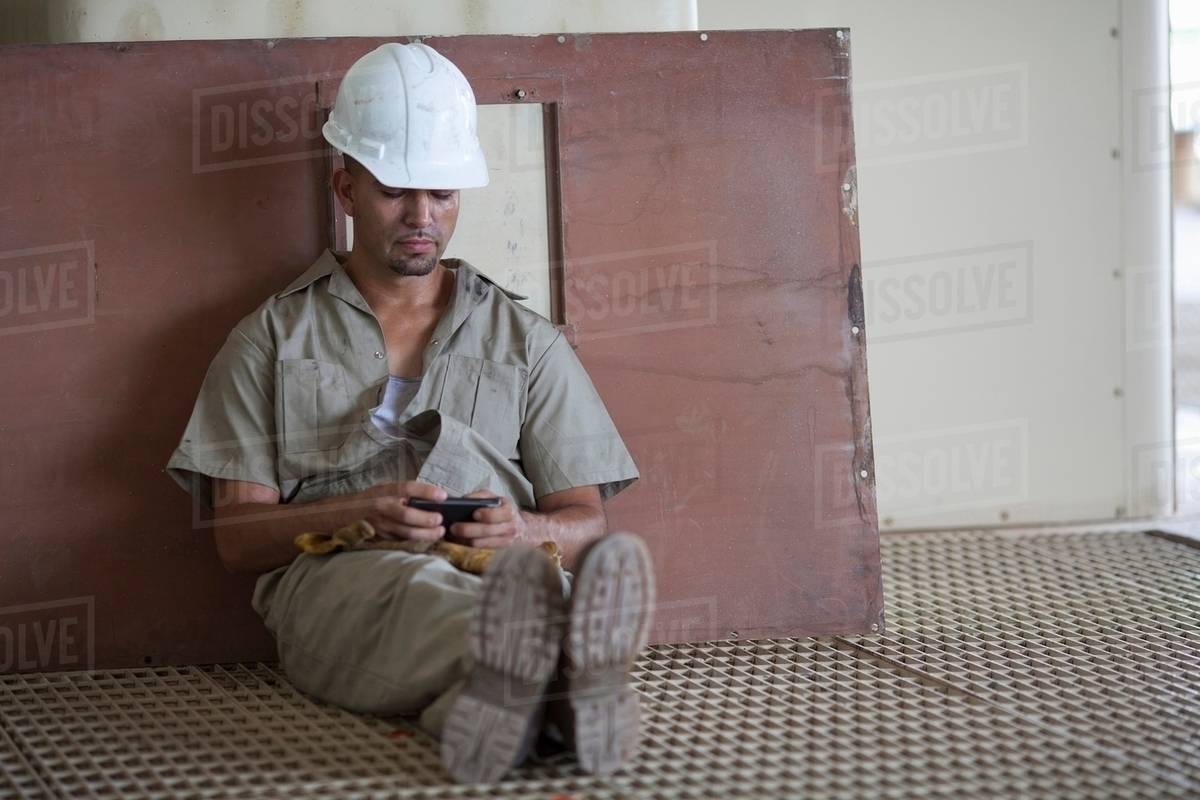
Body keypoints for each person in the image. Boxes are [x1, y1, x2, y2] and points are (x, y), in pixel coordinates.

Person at [165, 41, 654, 784]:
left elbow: (586, 519)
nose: (422, 216)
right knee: (420, 589)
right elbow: (235, 541)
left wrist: (525, 529)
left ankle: (506, 707)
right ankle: (569, 666)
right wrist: (358, 511)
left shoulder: (527, 340)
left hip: (501, 567)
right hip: (344, 579)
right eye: (396, 190)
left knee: (514, 585)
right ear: (346, 188)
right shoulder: (268, 337)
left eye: (443, 194)